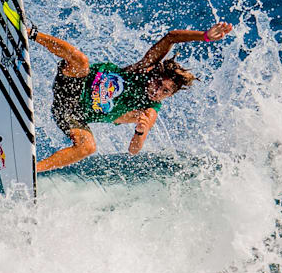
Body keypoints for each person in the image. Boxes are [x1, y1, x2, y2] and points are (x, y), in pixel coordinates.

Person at [29, 21, 233, 173]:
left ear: (169, 96)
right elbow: (171, 37)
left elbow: (134, 150)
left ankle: (33, 170)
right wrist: (204, 36)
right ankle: (29, 33)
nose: (157, 91)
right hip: (72, 83)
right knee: (82, 61)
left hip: (72, 114)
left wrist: (139, 131)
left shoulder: (148, 111)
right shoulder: (142, 69)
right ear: (155, 75)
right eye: (158, 84)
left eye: (165, 92)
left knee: (88, 147)